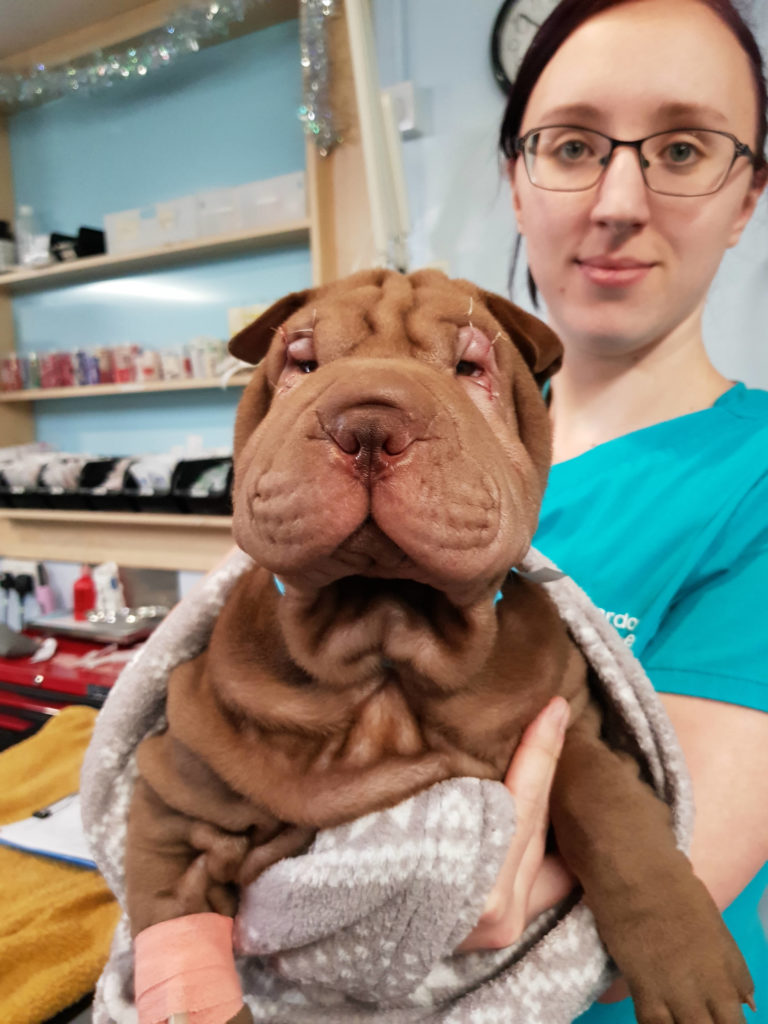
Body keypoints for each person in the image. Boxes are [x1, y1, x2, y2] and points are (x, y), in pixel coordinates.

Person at [457, 0, 768, 1019]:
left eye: (682, 148)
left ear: (747, 196)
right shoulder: (441, 459)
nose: (619, 199)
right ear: (516, 180)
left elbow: (634, 912)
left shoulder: (754, 476)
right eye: (575, 146)